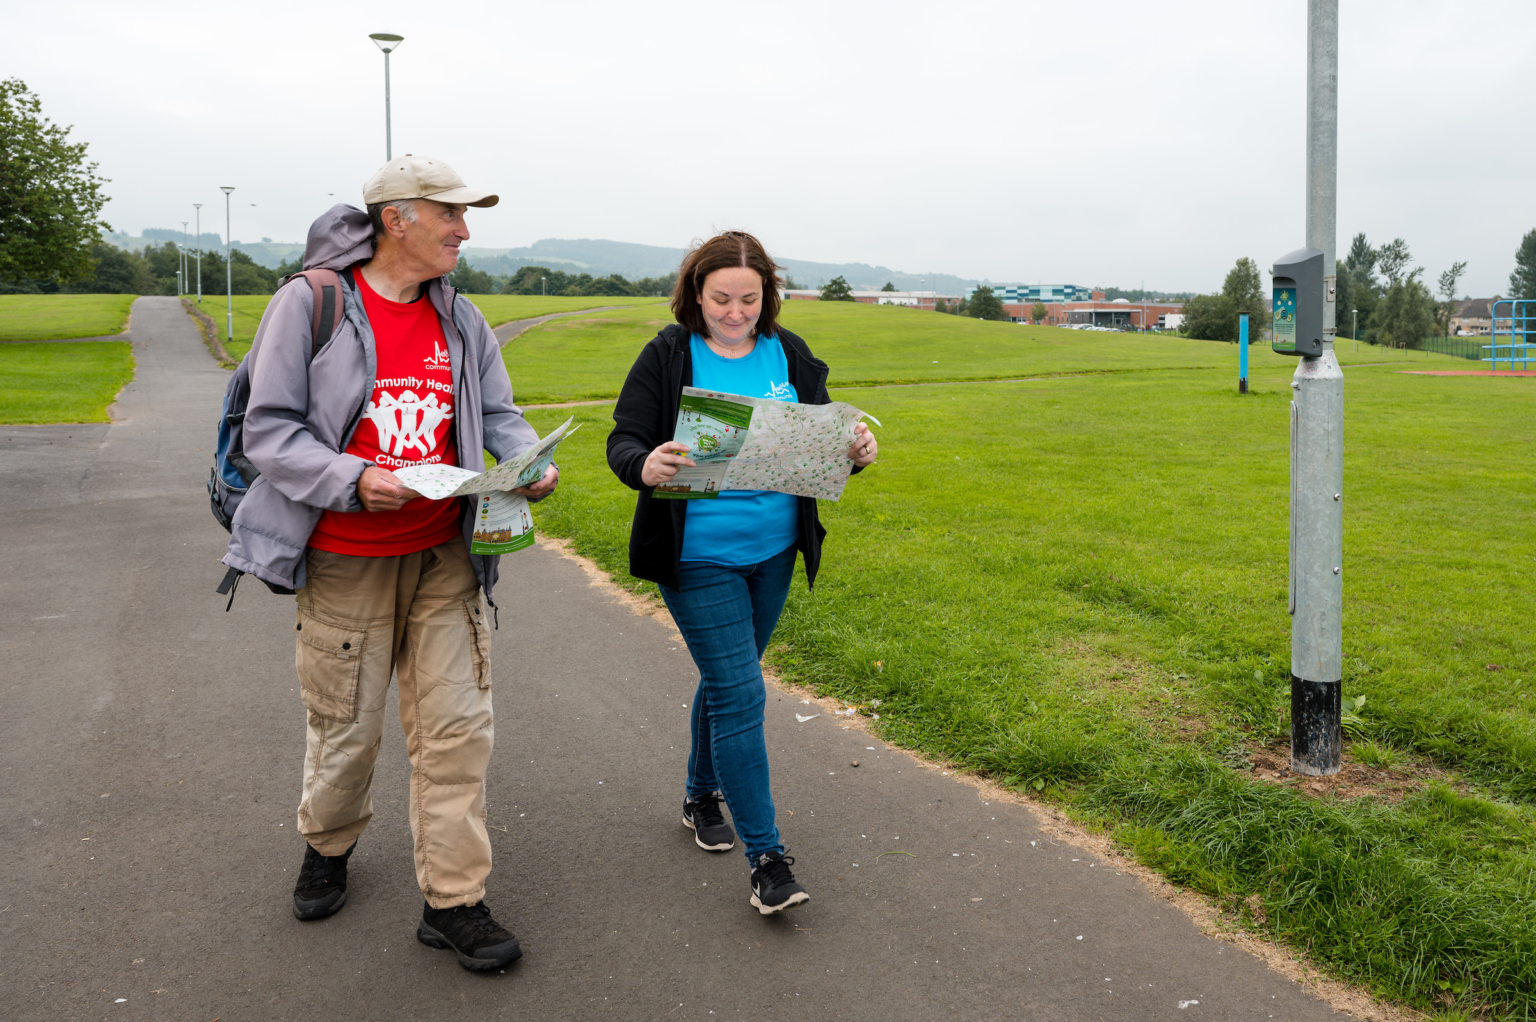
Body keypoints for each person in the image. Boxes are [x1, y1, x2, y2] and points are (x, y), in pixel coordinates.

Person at [222, 156, 556, 971]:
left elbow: (500, 412)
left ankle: (454, 902)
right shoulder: (311, 304)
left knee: (456, 735)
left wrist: (526, 462)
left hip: (446, 555)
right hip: (345, 559)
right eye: (451, 215)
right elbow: (267, 431)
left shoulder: (461, 317)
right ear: (398, 218)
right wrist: (353, 479)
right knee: (347, 730)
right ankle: (328, 844)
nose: (464, 231)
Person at [606, 231, 879, 916]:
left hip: (773, 553)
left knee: (729, 683)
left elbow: (826, 440)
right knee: (741, 690)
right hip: (697, 555)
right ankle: (768, 859)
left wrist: (856, 451)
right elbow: (624, 439)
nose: (735, 312)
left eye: (749, 299)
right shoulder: (670, 355)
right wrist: (645, 465)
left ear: (768, 297)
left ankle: (701, 793)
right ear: (695, 294)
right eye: (721, 298)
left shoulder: (788, 355)